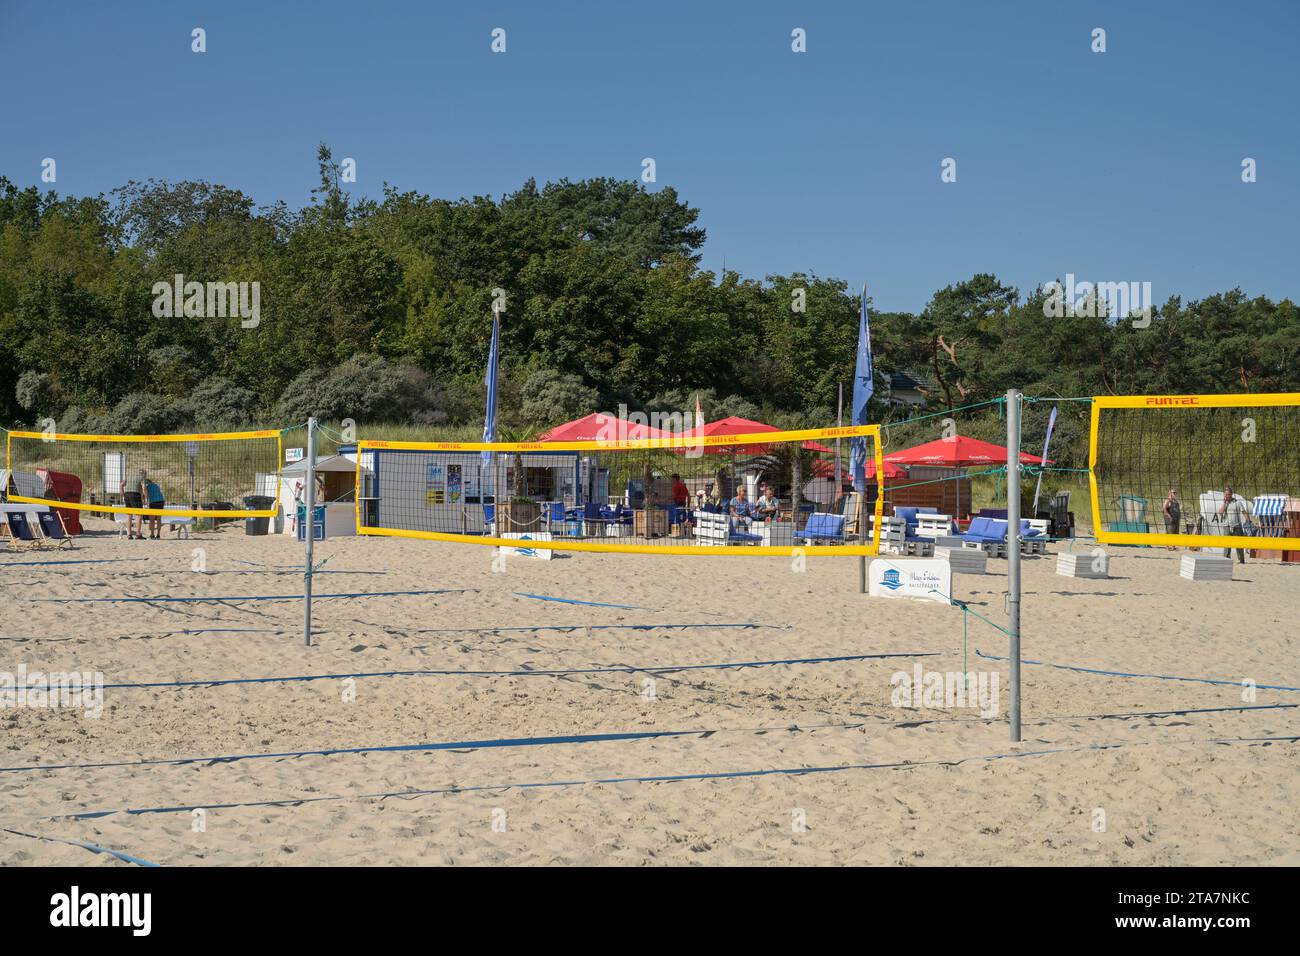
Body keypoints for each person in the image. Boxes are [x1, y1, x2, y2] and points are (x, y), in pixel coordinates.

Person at [1218, 486, 1250, 563]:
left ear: (1231, 494)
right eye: (1226, 494)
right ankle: (1226, 559)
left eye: (1228, 494)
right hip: (1227, 526)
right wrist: (1225, 503)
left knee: (1239, 545)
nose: (1227, 496)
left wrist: (1248, 521)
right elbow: (1220, 512)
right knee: (1227, 545)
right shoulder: (1224, 503)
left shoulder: (1237, 502)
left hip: (1237, 526)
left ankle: (1241, 560)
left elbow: (1244, 512)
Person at [121, 474, 145, 539]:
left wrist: (123, 495)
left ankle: (129, 534)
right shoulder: (142, 477)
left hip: (127, 494)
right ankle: (138, 534)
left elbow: (121, 485)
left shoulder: (128, 476)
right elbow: (144, 488)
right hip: (135, 495)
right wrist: (145, 497)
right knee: (138, 515)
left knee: (128, 515)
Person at [143, 472, 166, 539]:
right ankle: (158, 535)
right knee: (159, 518)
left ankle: (152, 535)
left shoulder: (147, 486)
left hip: (153, 502)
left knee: (152, 519)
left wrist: (145, 500)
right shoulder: (156, 485)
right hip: (161, 501)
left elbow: (145, 494)